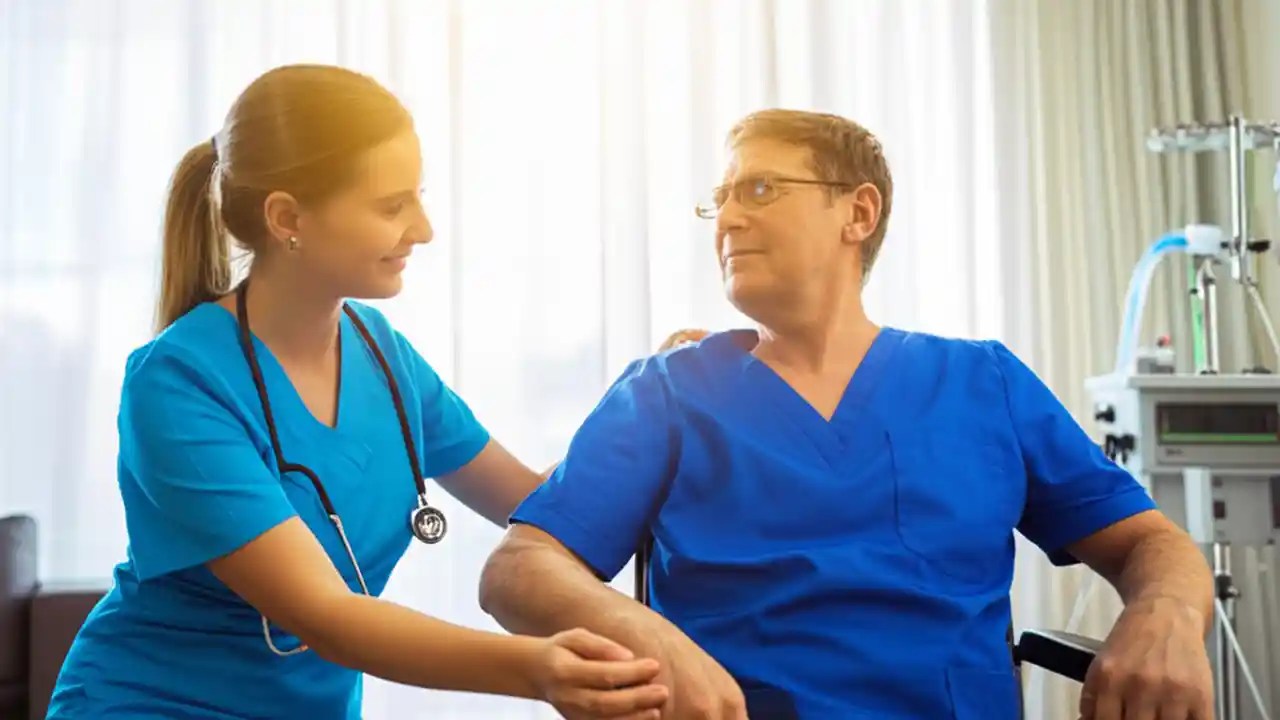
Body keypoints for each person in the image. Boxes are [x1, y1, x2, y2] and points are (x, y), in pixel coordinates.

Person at [478, 109, 1217, 719]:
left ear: (857, 213)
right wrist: (644, 633)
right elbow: (520, 569)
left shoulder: (979, 381)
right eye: (721, 199)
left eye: (761, 189)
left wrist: (1167, 617)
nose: (727, 217)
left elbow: (1150, 543)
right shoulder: (671, 390)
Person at [46, 64, 677, 720]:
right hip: (151, 706)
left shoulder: (380, 352)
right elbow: (326, 616)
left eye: (418, 196)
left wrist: (660, 404)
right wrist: (536, 669)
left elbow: (538, 504)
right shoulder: (178, 385)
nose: (425, 228)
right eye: (391, 205)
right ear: (287, 217)